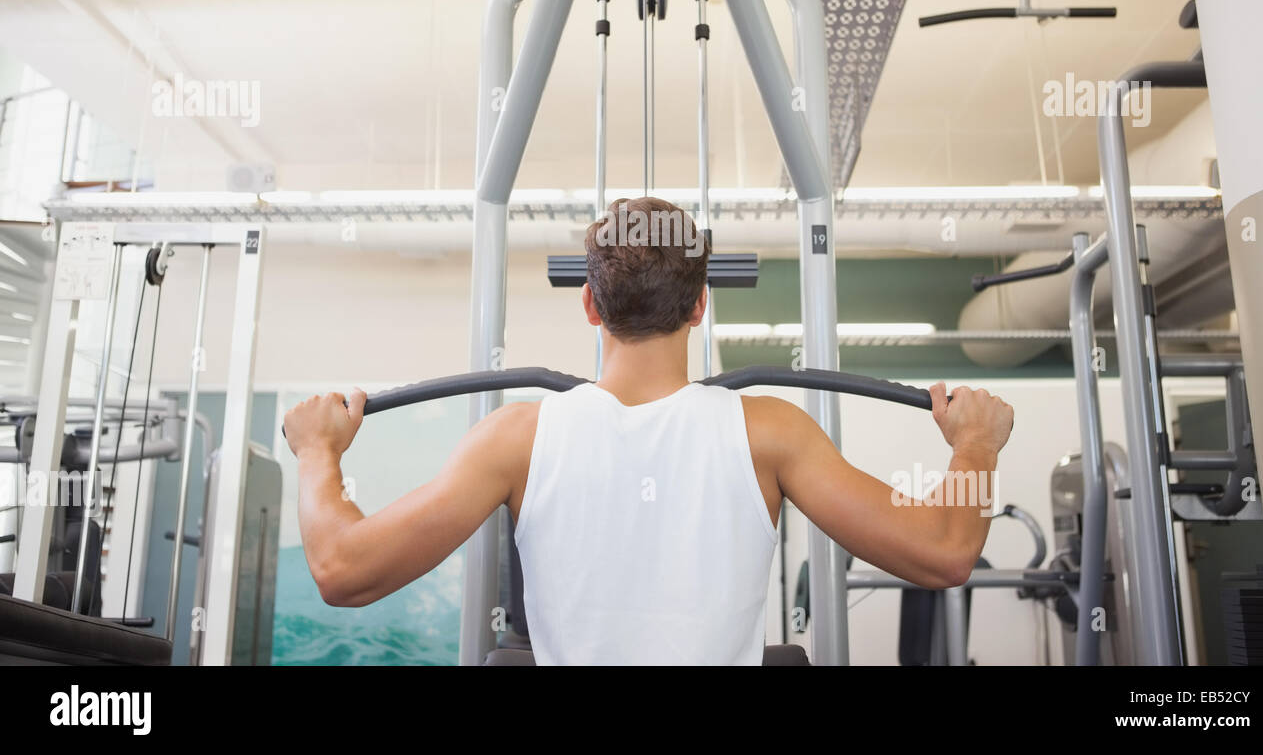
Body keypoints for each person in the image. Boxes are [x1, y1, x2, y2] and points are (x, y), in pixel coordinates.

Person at [282, 196, 1015, 664]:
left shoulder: (517, 439)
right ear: (700, 308)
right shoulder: (769, 433)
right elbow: (947, 554)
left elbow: (343, 571)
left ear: (591, 308)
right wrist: (974, 445)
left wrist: (319, 453)